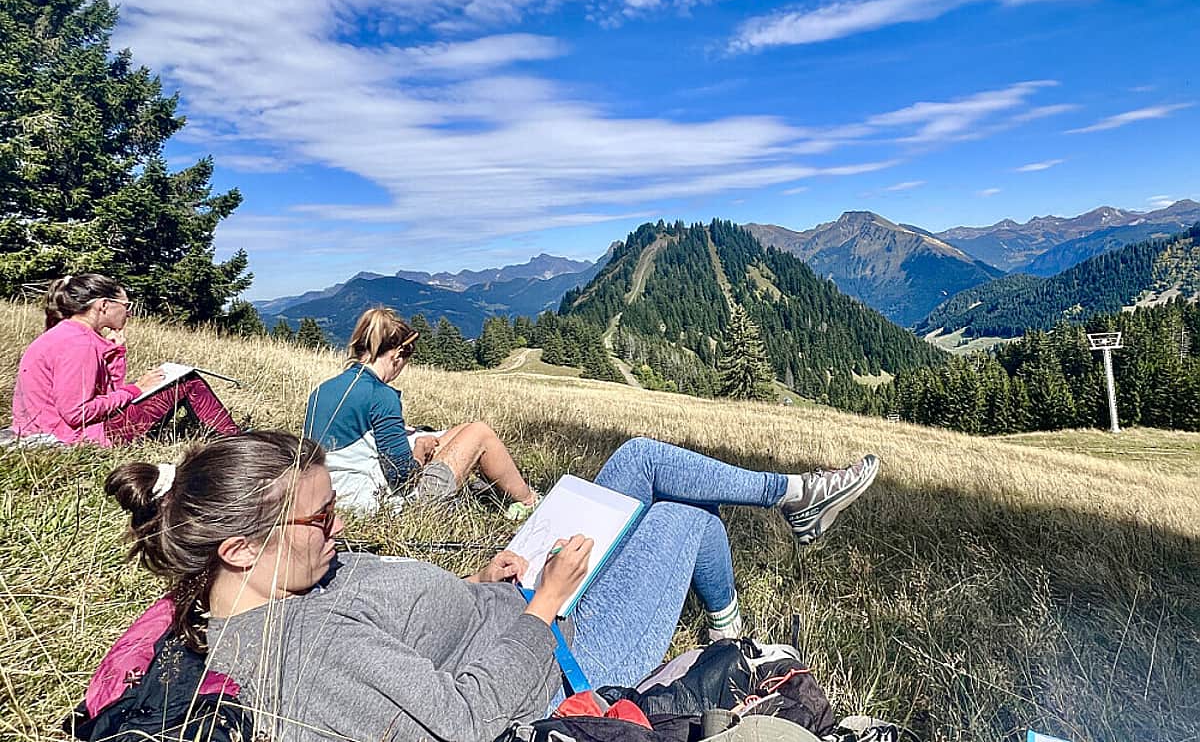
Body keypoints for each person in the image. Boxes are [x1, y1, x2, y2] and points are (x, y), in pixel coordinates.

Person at [106, 431, 879, 742]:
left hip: (509, 604)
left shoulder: (286, 585)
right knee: (683, 519)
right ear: (240, 549)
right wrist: (543, 606)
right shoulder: (300, 651)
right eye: (322, 516)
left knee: (642, 458)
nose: (337, 528)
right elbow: (466, 724)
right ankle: (732, 635)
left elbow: (399, 631)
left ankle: (791, 502)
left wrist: (477, 580)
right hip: (552, 658)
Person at [304, 307, 539, 516]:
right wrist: (419, 449)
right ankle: (530, 502)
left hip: (330, 495)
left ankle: (501, 491)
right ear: (397, 355)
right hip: (377, 504)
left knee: (461, 432)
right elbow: (403, 478)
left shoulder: (321, 391)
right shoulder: (380, 395)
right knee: (480, 432)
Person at [10, 274, 239, 446]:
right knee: (186, 381)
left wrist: (116, 353)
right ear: (103, 305)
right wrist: (135, 390)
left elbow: (106, 394)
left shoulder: (70, 334)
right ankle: (237, 444)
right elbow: (76, 413)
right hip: (71, 437)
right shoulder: (79, 344)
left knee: (177, 382)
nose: (128, 313)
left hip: (54, 429)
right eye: (126, 306)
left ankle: (231, 440)